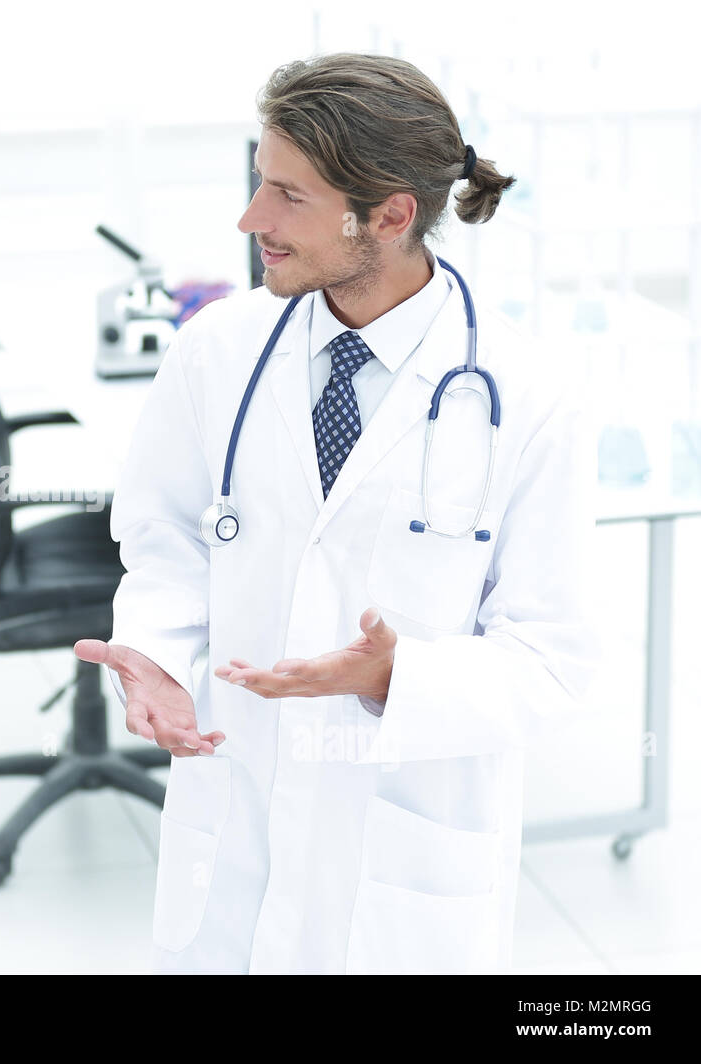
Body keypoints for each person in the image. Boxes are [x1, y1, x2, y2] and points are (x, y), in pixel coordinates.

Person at [75, 53, 597, 974]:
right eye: (257, 185)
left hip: (403, 860)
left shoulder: (530, 395)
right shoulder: (216, 351)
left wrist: (401, 677)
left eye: (288, 196)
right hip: (232, 824)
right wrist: (153, 657)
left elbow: (551, 658)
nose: (251, 221)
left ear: (390, 214)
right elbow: (164, 543)